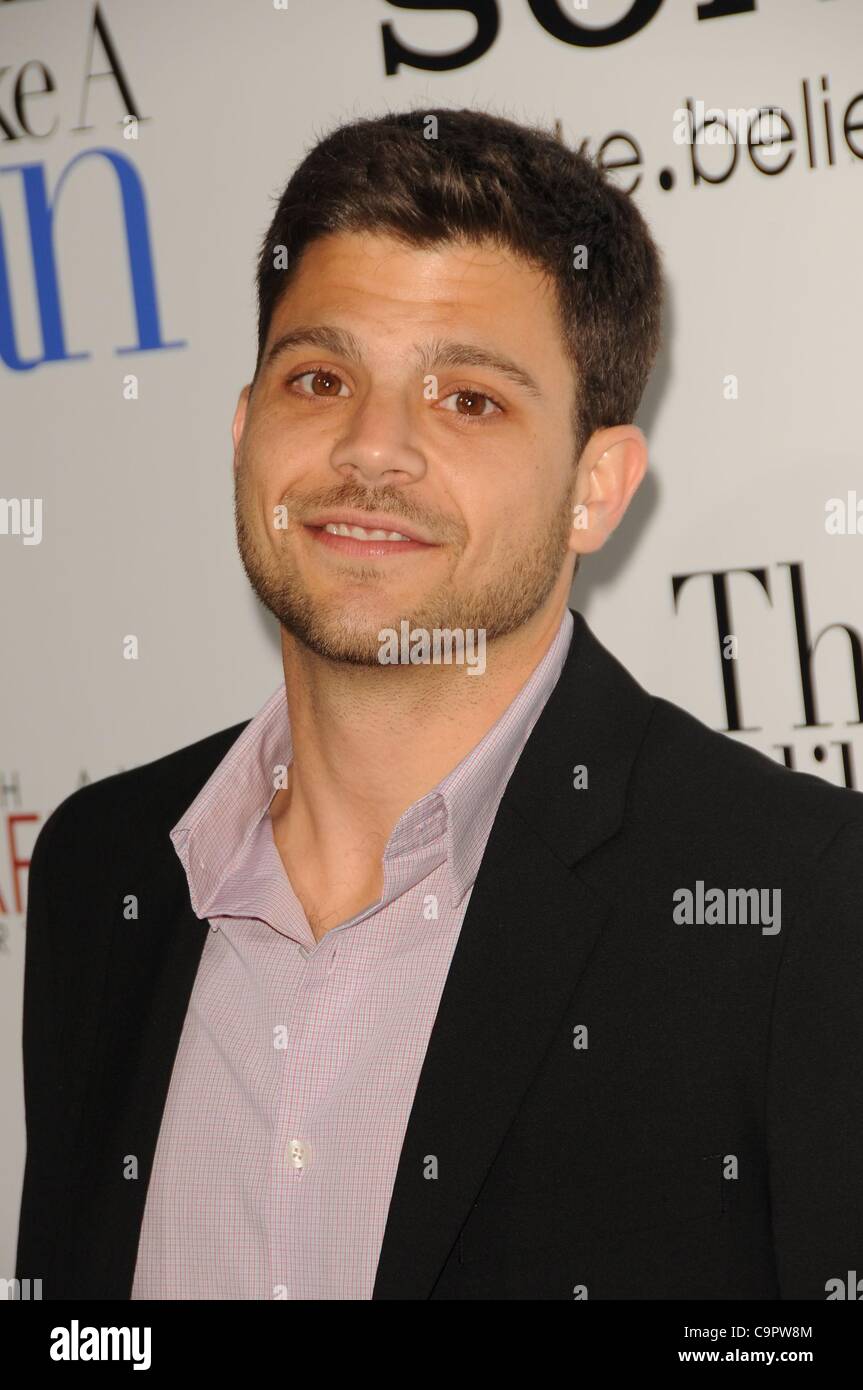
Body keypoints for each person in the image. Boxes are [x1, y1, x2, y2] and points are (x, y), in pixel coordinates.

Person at [16, 107, 863, 1300]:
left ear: (594, 488)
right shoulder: (103, 869)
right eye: (320, 377)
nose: (373, 449)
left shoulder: (801, 897)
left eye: (467, 399)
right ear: (246, 428)